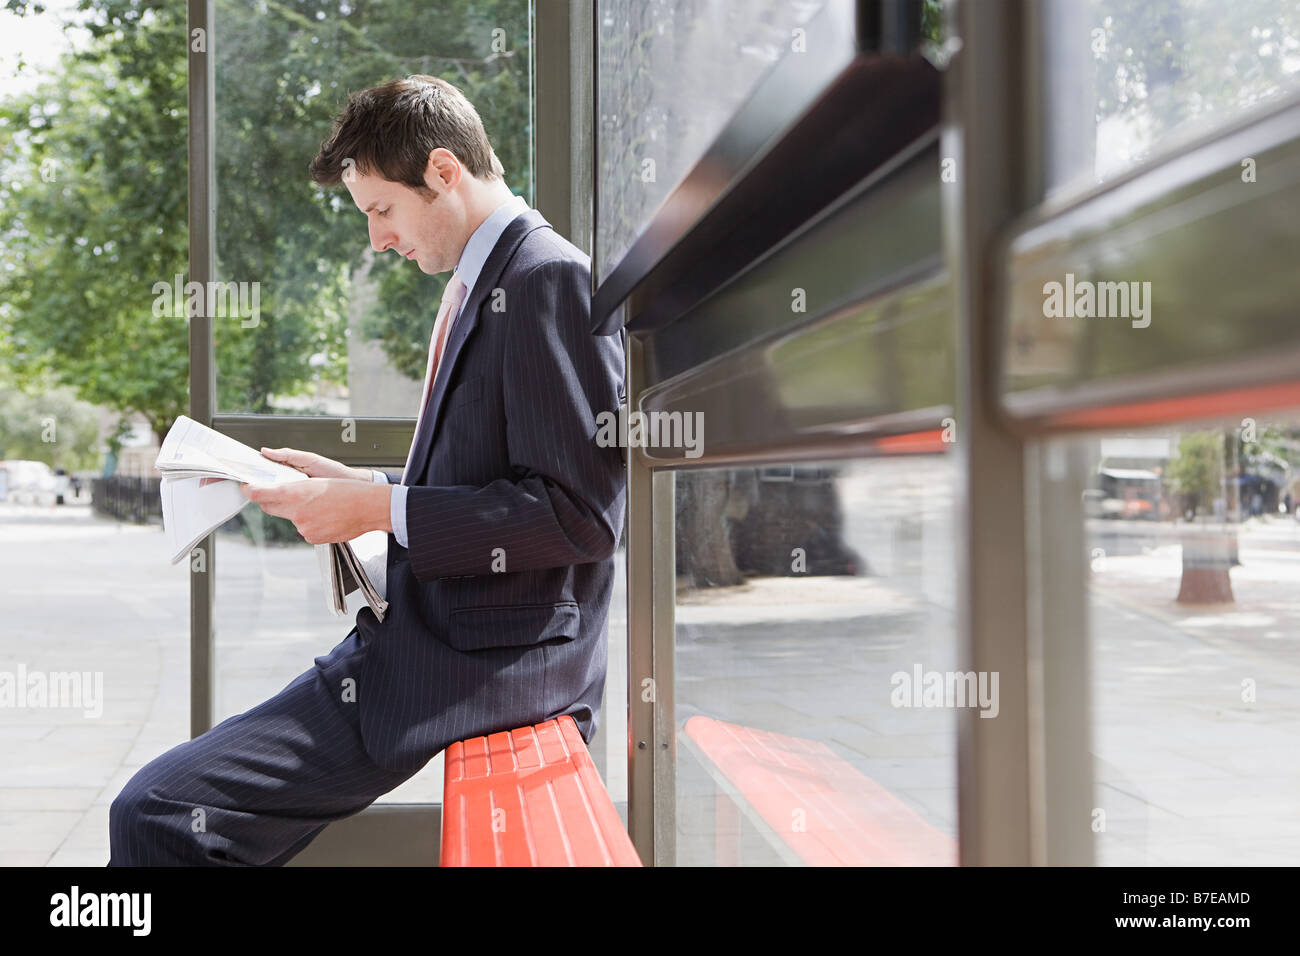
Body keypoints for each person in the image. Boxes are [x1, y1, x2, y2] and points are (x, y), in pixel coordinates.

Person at [108, 75, 626, 865]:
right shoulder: (495, 281)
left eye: (382, 211)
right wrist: (363, 490)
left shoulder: (543, 280)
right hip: (436, 645)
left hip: (475, 665)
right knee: (162, 811)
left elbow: (581, 516)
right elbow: (496, 477)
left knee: (157, 811)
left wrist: (378, 514)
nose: (378, 240)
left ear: (445, 171)